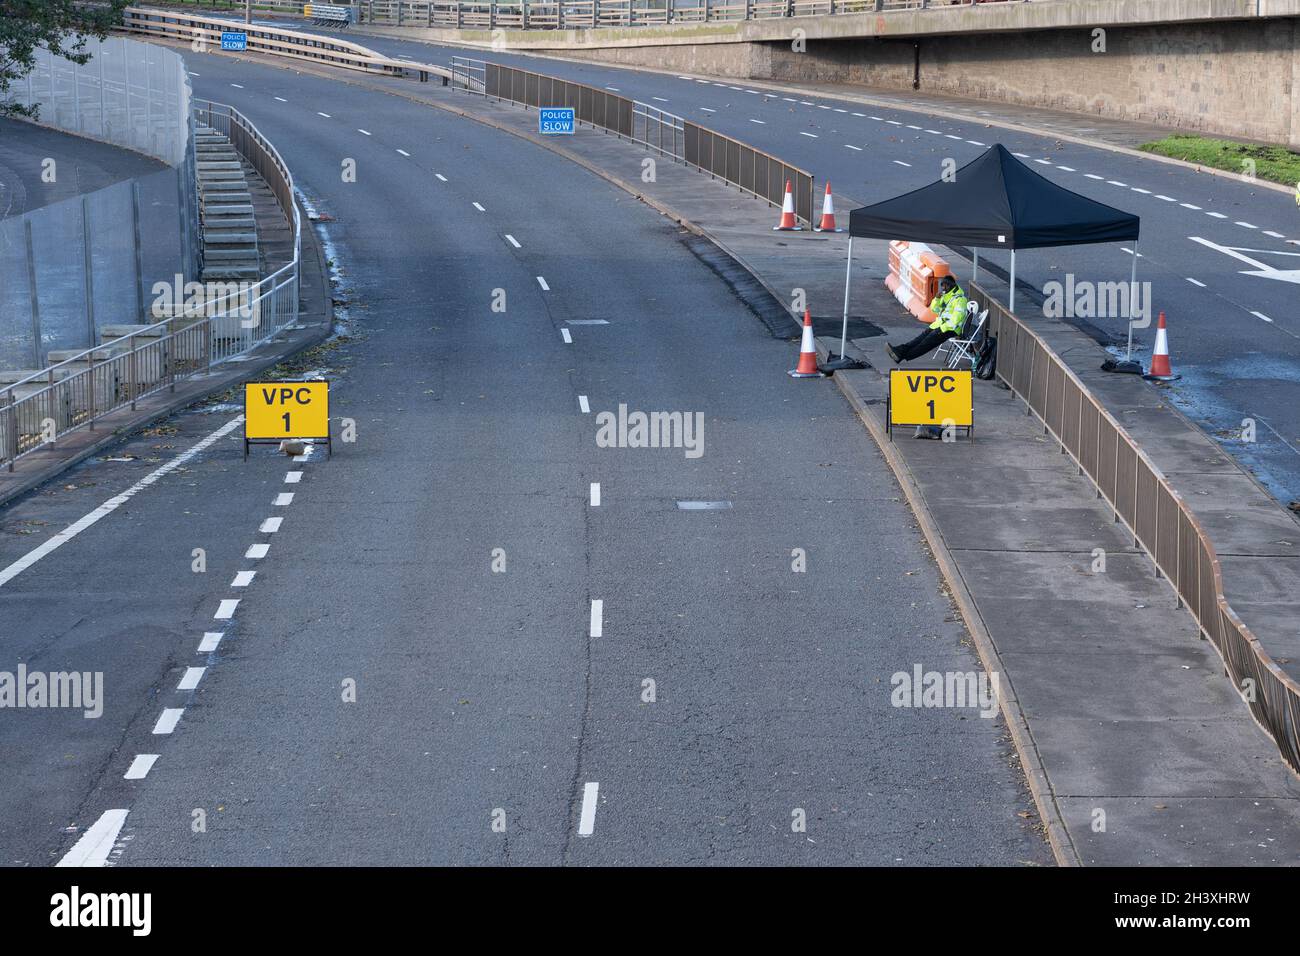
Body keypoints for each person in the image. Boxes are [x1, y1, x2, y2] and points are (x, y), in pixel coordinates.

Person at [887, 276, 969, 364]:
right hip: (938, 325)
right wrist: (937, 299)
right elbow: (934, 309)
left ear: (951, 285)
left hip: (949, 329)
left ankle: (902, 356)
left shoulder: (960, 299)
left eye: (945, 286)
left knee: (924, 345)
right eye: (942, 286)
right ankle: (899, 351)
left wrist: (943, 328)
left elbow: (956, 319)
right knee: (918, 340)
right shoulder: (946, 296)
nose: (943, 288)